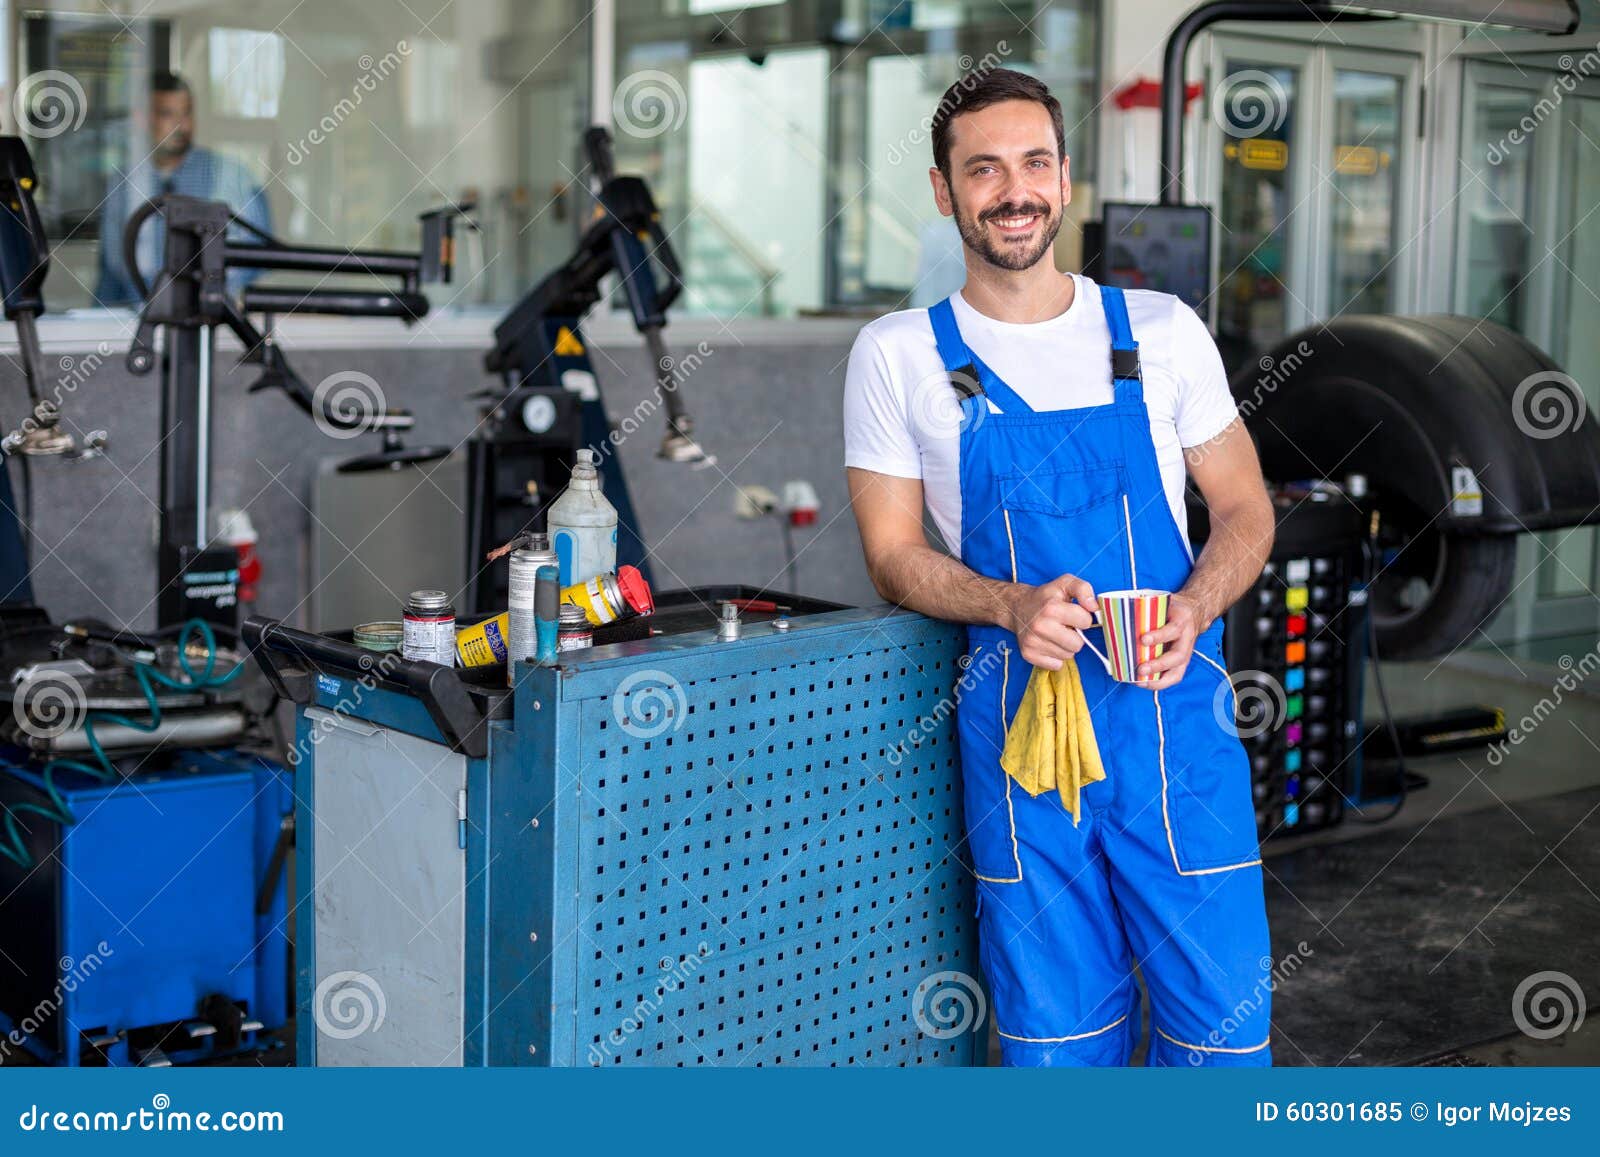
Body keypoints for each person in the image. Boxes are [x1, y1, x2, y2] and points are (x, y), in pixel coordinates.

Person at [844, 68, 1277, 1067]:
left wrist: (1196, 601)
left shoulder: (1161, 330)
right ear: (944, 191)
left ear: (1065, 178)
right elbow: (890, 556)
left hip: (1177, 730)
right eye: (983, 168)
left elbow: (1246, 511)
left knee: (1221, 1036)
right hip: (1023, 743)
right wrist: (1005, 602)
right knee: (1054, 1043)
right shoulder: (900, 354)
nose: (1014, 189)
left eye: (1034, 161)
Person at [94, 71, 271, 306]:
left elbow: (259, 256)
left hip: (210, 322)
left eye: (186, 113)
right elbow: (110, 271)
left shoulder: (230, 175)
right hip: (138, 322)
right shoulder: (123, 183)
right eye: (167, 114)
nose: (181, 125)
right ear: (141, 118)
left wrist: (216, 295)